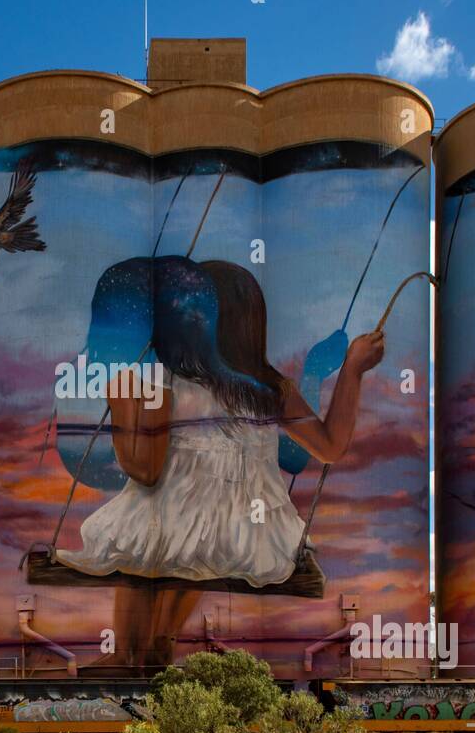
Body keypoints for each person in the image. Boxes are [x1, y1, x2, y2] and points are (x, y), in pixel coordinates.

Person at [57, 259, 385, 669]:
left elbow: (144, 470)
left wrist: (122, 404)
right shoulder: (270, 388)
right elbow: (330, 447)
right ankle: (151, 653)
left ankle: (127, 655)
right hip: (252, 532)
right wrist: (351, 369)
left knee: (143, 529)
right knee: (184, 540)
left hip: (182, 519)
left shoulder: (169, 379)